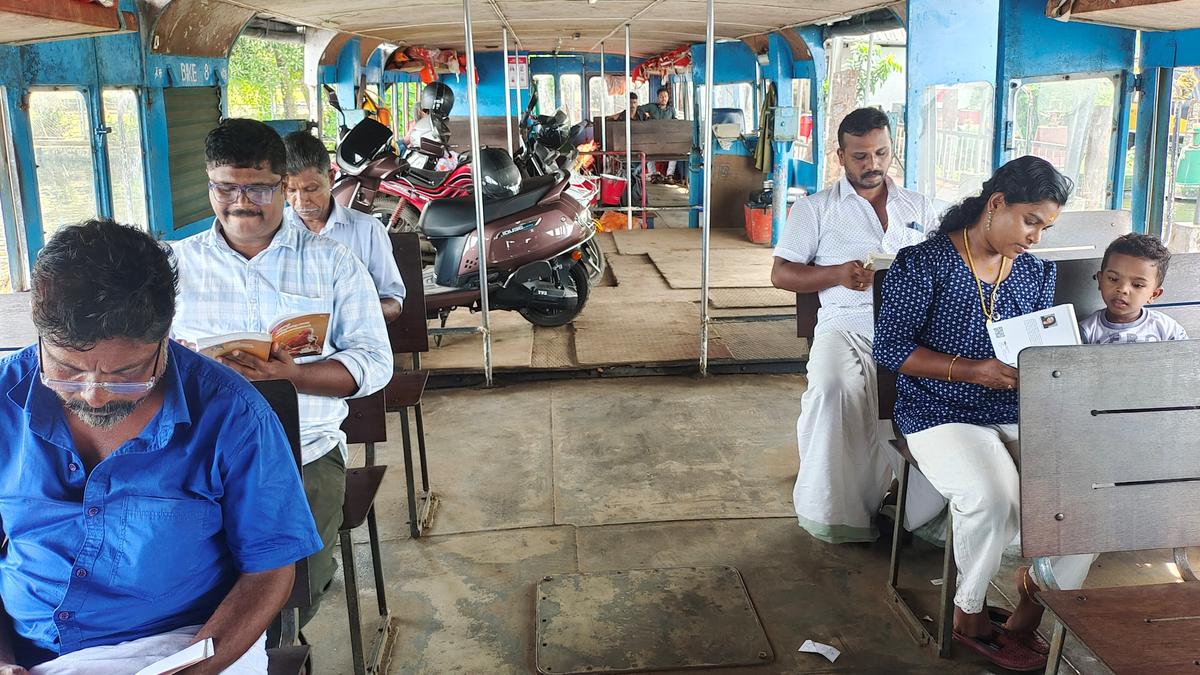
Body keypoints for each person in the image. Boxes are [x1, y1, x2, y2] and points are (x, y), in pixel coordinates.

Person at [0, 219, 322, 674]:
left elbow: (269, 570)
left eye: (126, 373)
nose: (94, 394)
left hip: (177, 647)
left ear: (165, 338)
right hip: (27, 649)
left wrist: (193, 667)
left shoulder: (233, 416)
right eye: (67, 369)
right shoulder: (4, 398)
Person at [873, 156, 1096, 671]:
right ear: (996, 204)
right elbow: (891, 349)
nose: (1036, 237)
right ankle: (968, 613)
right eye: (1030, 220)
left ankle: (1030, 612)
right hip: (938, 410)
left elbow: (1037, 345)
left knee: (1087, 495)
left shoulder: (1036, 273)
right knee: (992, 498)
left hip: (1016, 407)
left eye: (1046, 226)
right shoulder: (924, 262)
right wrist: (973, 371)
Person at [171, 119, 393, 635]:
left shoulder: (334, 262)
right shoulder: (175, 267)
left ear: (282, 185)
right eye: (225, 188)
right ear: (210, 185)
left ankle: (285, 631)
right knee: (190, 592)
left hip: (303, 453)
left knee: (292, 597)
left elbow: (375, 363)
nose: (240, 202)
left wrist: (293, 376)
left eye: (258, 188)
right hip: (198, 458)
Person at [770, 107, 945, 544]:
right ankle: (839, 514)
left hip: (911, 332)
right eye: (861, 156)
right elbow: (781, 274)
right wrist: (837, 274)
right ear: (840, 156)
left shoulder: (920, 207)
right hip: (845, 327)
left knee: (952, 394)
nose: (873, 165)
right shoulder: (815, 210)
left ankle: (928, 514)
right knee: (834, 390)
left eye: (881, 154)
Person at [282, 130, 406, 324]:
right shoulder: (275, 232)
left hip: (353, 344)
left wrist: (352, 314)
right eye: (290, 190)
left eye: (311, 189)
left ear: (331, 178)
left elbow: (393, 301)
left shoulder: (367, 230)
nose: (301, 201)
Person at [1079, 233, 1188, 343]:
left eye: (1137, 285)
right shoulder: (1086, 332)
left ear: (1153, 294)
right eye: (1113, 279)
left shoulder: (1167, 330)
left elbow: (1186, 357)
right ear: (1100, 280)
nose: (1122, 289)